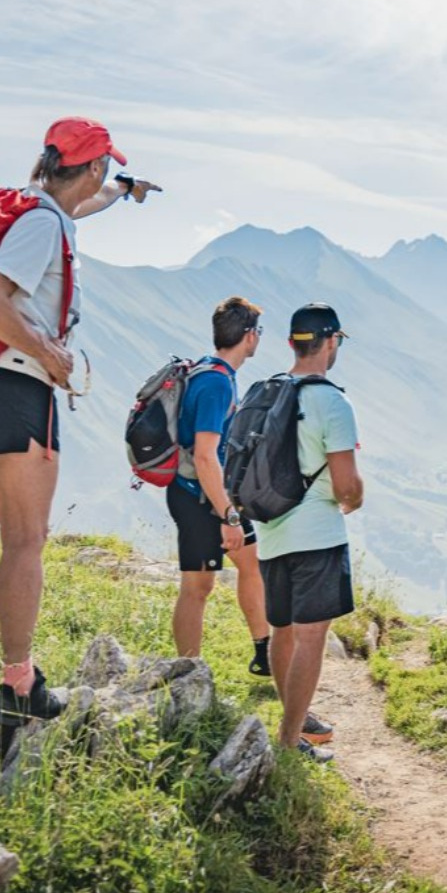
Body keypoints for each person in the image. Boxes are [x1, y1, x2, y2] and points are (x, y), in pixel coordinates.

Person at [0, 117, 151, 726]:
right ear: (94, 165)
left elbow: (80, 207)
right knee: (25, 539)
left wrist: (124, 193)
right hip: (17, 384)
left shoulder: (40, 209)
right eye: (106, 169)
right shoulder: (43, 225)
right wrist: (51, 354)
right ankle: (19, 687)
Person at [256, 303, 363, 760]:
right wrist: (352, 500)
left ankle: (293, 722)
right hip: (317, 536)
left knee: (281, 631)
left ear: (292, 343)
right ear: (332, 340)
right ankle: (288, 739)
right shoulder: (331, 402)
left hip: (270, 532)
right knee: (311, 635)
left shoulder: (266, 392)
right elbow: (346, 485)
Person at [167, 296, 275, 680]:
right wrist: (227, 514)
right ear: (248, 337)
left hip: (210, 494)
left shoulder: (212, 371)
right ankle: (189, 674)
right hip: (199, 497)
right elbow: (205, 456)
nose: (258, 338)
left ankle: (264, 651)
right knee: (198, 586)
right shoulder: (215, 382)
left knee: (251, 564)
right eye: (258, 332)